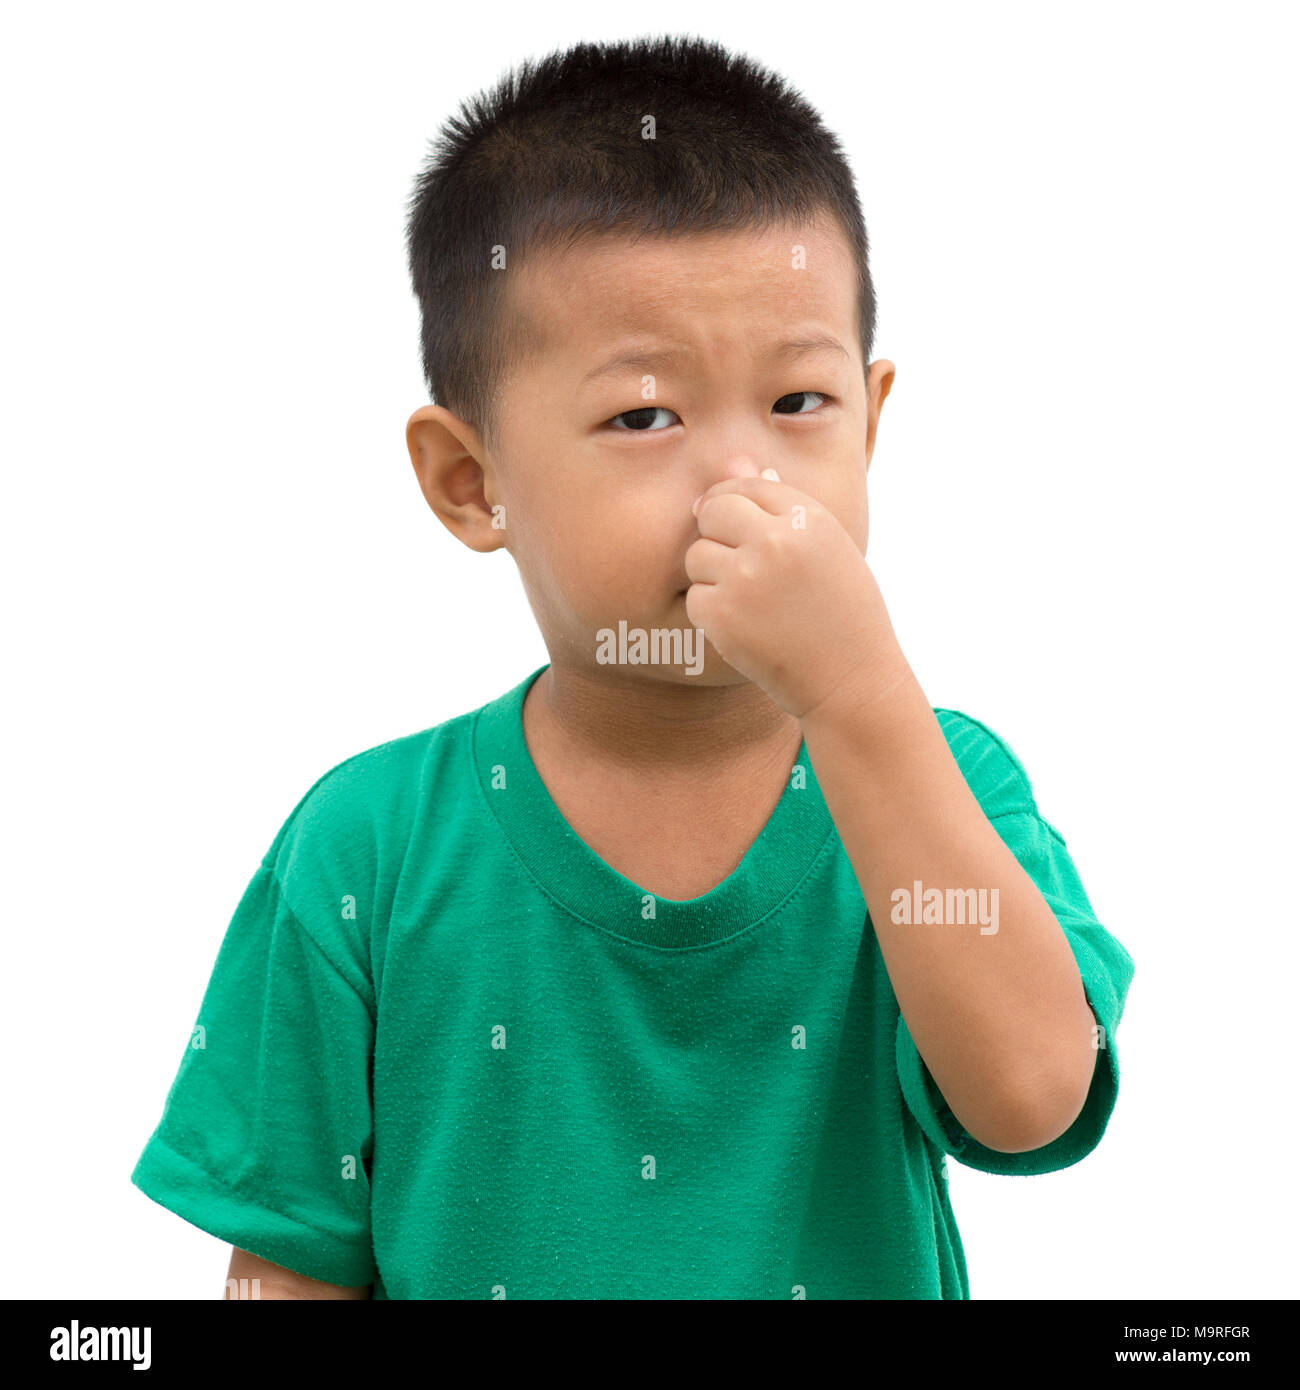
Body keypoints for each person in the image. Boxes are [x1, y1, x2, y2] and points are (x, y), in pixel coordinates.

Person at [131, 34, 1135, 1300]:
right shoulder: (365, 848)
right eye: (645, 415)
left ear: (875, 422)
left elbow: (1031, 1103)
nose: (744, 479)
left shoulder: (942, 782)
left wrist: (861, 700)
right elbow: (286, 1258)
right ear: (470, 479)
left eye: (800, 404)